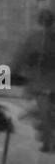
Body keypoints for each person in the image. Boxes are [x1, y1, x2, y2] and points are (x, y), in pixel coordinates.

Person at [15, 8, 55, 152]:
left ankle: (48, 141)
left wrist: (2, 82)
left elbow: (17, 60)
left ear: (39, 21)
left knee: (43, 112)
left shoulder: (32, 38)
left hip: (40, 82)